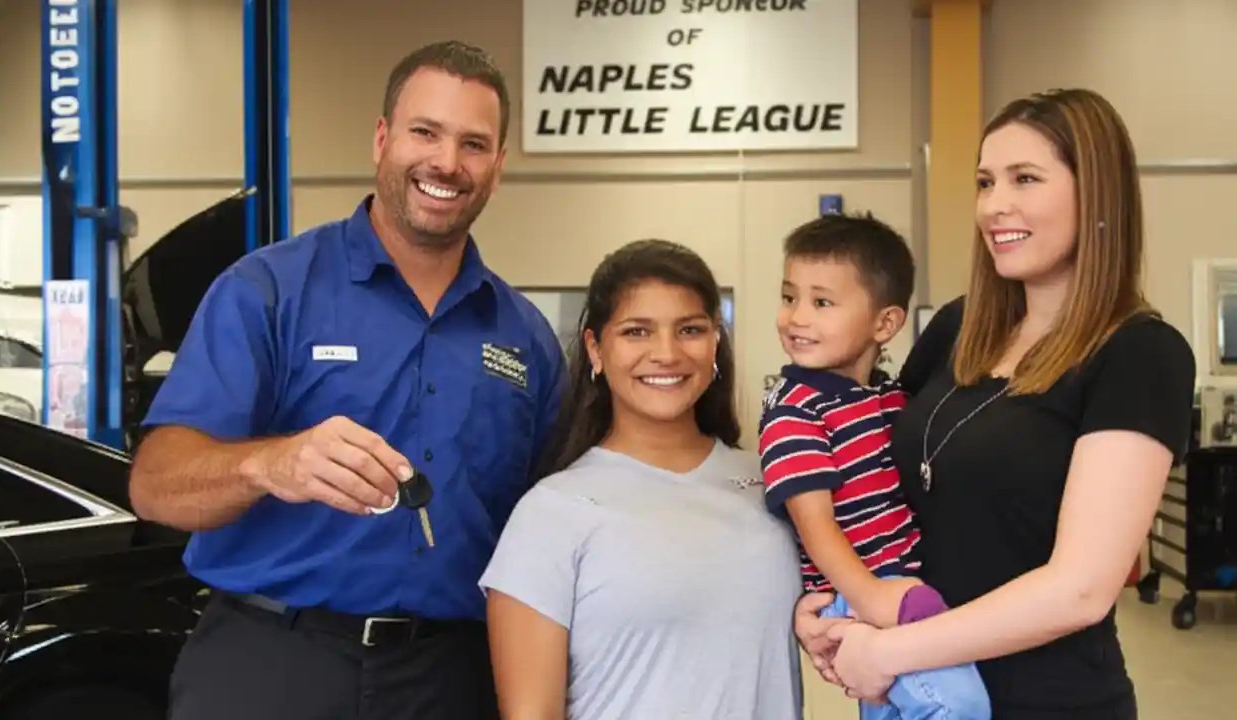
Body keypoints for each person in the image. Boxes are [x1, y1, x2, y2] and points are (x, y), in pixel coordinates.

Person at [127, 41, 566, 720]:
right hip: (270, 664)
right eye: (425, 132)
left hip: (452, 678)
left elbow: (557, 526)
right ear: (383, 138)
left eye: (473, 144)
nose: (447, 163)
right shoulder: (267, 292)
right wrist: (271, 464)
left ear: (499, 167)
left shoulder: (526, 339)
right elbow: (155, 484)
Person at [798, 88, 1196, 720]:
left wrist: (893, 650)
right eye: (985, 182)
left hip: (1046, 701)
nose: (994, 206)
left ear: (1097, 197)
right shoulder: (957, 328)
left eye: (1025, 179)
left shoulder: (1140, 354)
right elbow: (867, 478)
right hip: (914, 695)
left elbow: (1081, 590)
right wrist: (832, 597)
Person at [478, 240, 804, 719]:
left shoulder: (775, 484)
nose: (666, 353)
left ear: (716, 340)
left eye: (690, 329)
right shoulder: (550, 512)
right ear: (596, 349)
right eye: (637, 332)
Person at [759, 213, 990, 719]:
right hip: (862, 591)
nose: (796, 317)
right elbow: (813, 524)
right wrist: (870, 597)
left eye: (821, 302)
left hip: (895, 586)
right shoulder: (795, 410)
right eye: (788, 296)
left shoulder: (888, 398)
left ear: (885, 323)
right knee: (958, 705)